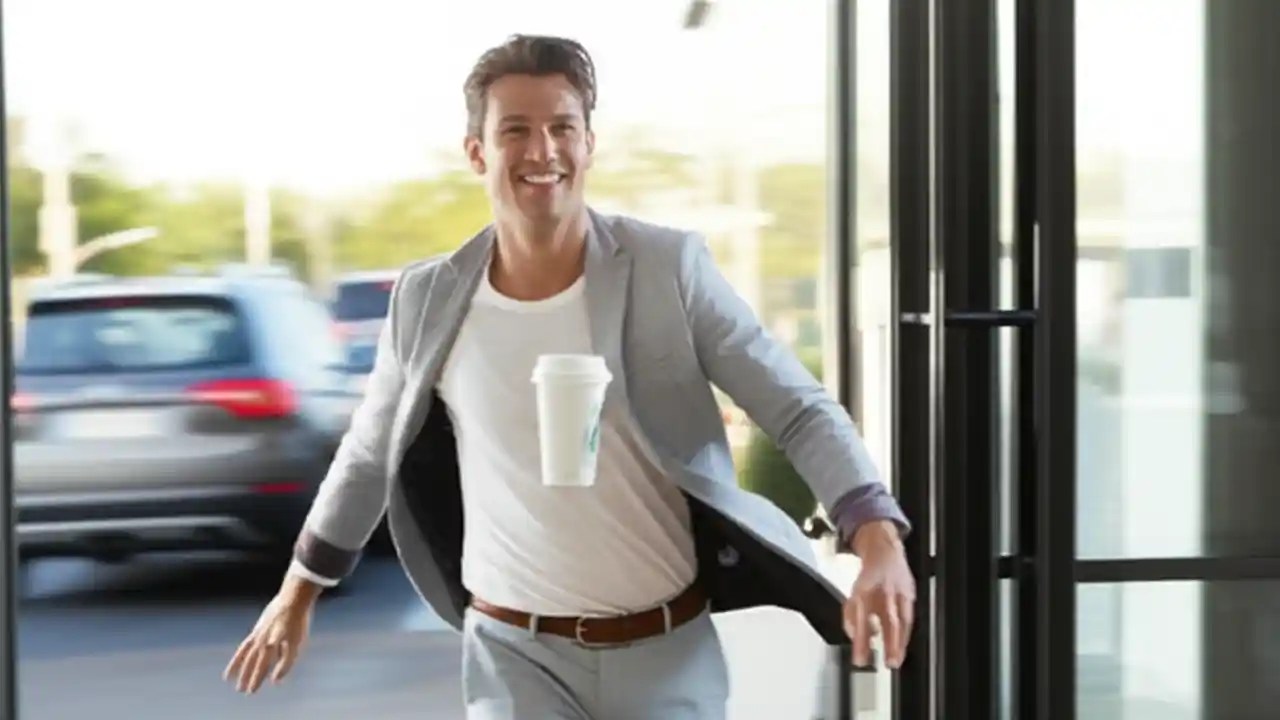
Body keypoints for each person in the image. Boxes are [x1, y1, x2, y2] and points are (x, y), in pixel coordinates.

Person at [224, 34, 915, 719]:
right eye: (515, 130)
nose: (542, 150)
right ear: (478, 152)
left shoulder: (666, 269)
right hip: (514, 655)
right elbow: (368, 456)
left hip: (665, 651)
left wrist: (875, 535)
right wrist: (298, 591)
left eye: (562, 127)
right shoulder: (428, 299)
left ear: (589, 144)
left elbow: (795, 405)